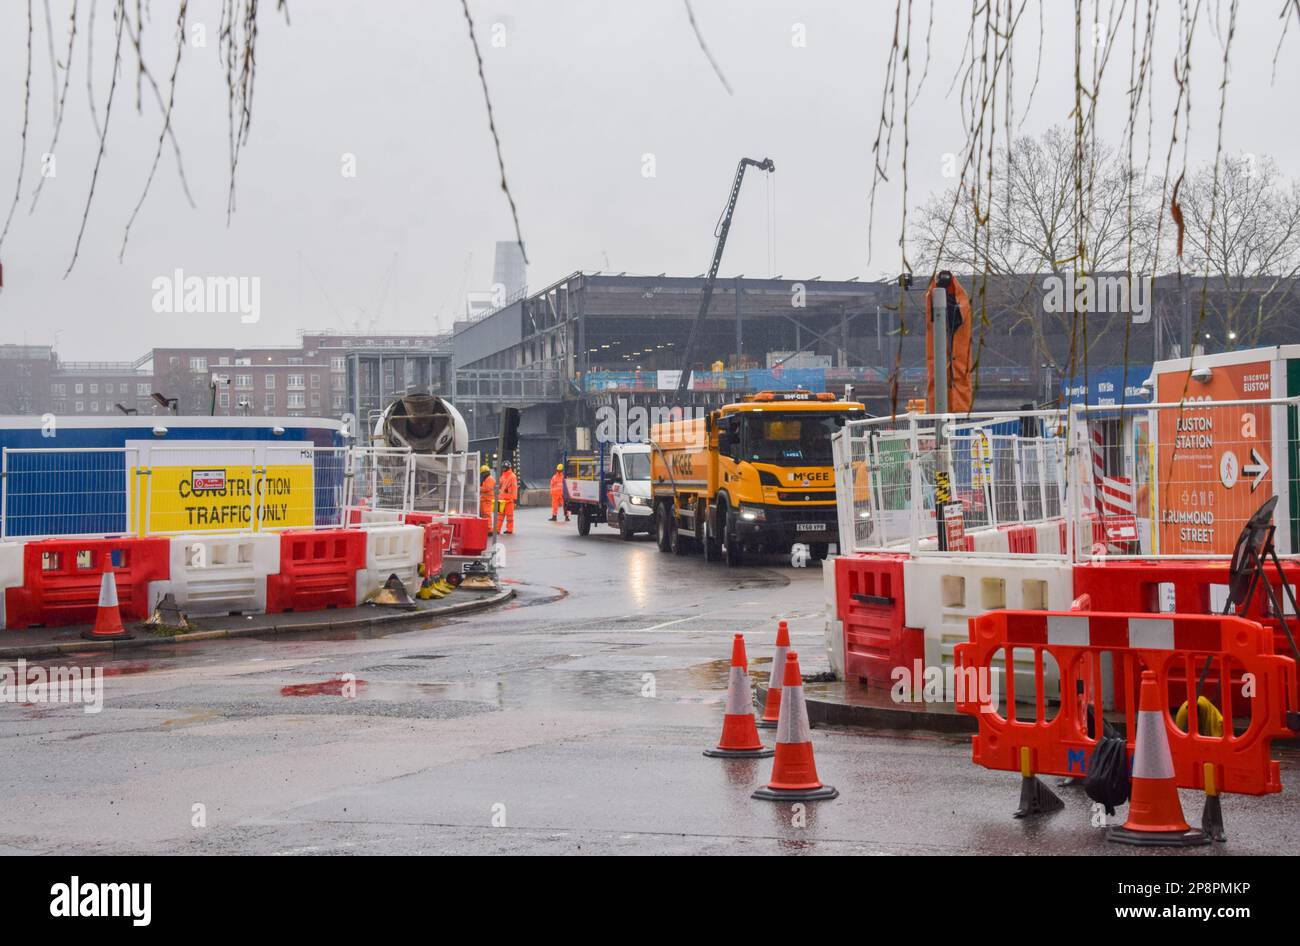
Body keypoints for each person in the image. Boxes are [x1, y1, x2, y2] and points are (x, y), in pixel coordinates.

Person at [498, 461, 518, 534]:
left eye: (505, 467)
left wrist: (515, 499)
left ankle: (509, 530)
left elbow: (514, 488)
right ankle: (497, 529)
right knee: (499, 517)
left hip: (509, 500)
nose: (503, 469)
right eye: (503, 467)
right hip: (501, 500)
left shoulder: (512, 476)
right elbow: (499, 485)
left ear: (508, 468)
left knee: (509, 517)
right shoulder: (502, 476)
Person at [479, 464, 496, 529]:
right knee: (484, 515)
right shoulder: (486, 479)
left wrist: (479, 489)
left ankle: (489, 529)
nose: (482, 475)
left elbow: (487, 488)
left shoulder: (489, 479)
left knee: (487, 515)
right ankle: (485, 529)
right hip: (484, 500)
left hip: (487, 500)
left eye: (482, 473)